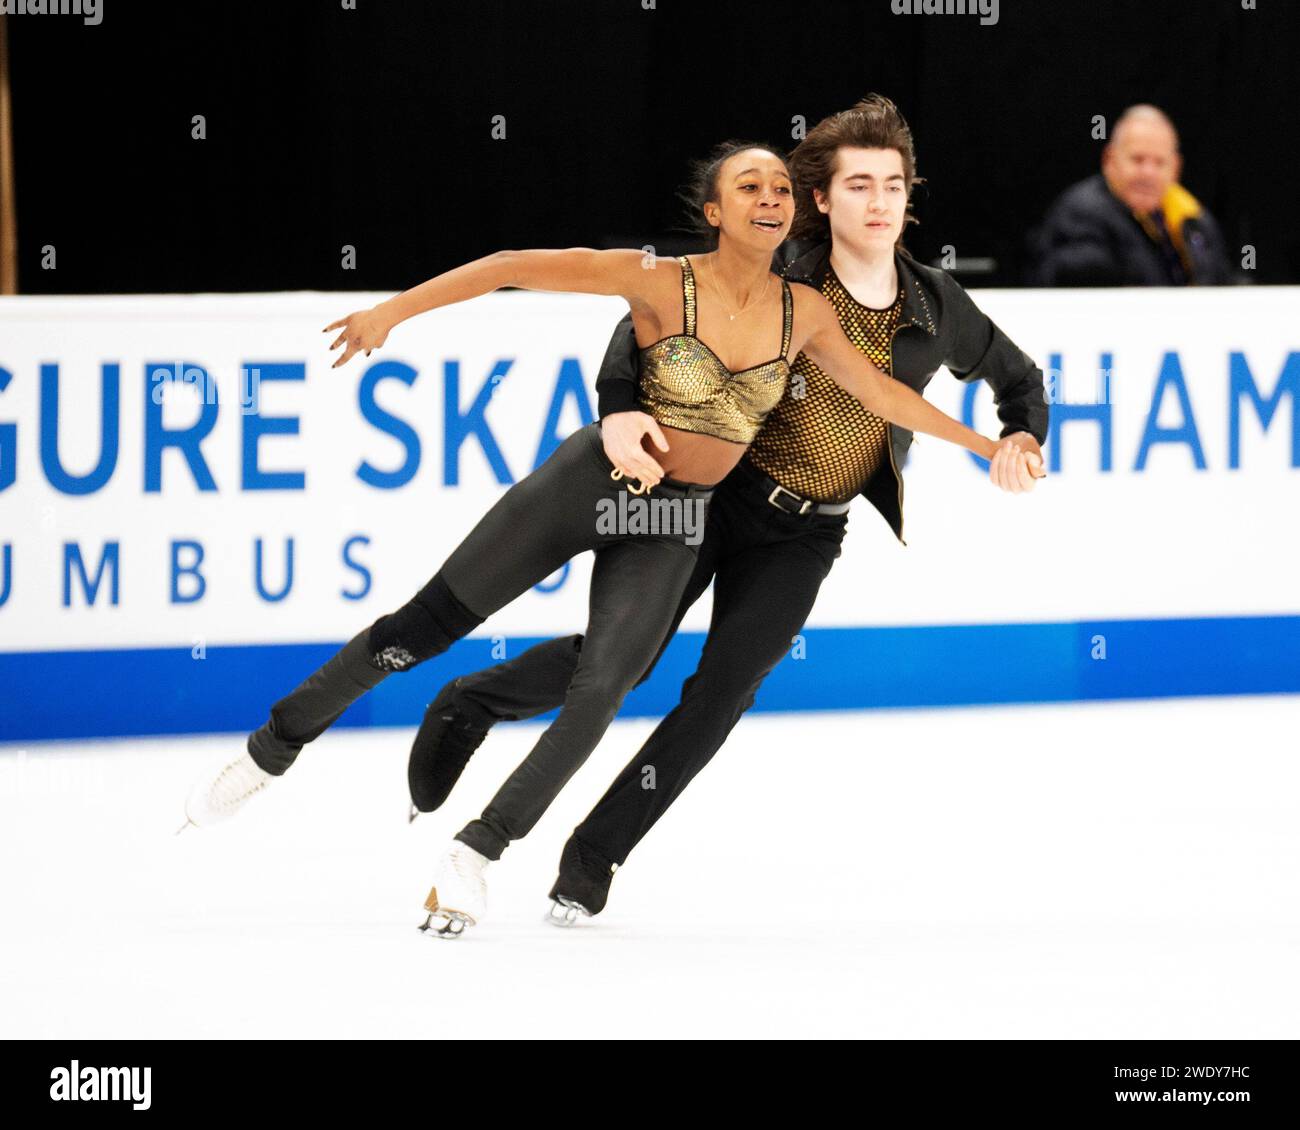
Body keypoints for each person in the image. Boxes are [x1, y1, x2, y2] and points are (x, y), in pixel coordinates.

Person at [180, 139, 1010, 938]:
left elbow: (884, 396)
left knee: (605, 685)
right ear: (715, 209)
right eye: (749, 187)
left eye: (781, 189)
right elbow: (511, 267)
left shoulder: (806, 312)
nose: (769, 198)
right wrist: (393, 311)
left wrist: (986, 445)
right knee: (422, 628)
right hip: (587, 487)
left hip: (675, 519)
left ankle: (477, 850)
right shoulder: (652, 278)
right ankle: (273, 747)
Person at [404, 96, 1050, 927]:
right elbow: (642, 330)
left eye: (893, 184)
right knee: (623, 662)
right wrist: (620, 407)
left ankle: (594, 854)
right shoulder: (779, 268)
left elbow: (1020, 378)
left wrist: (1020, 437)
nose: (880, 201)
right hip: (709, 494)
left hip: (809, 531)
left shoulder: (936, 305)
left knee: (722, 693)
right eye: (859, 184)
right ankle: (477, 700)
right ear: (823, 198)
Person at [1028, 104, 1230, 287]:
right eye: (1137, 159)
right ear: (1110, 160)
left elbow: (1220, 282)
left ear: (1176, 168)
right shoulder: (1081, 214)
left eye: (1159, 163)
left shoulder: (1193, 219)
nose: (1148, 173)